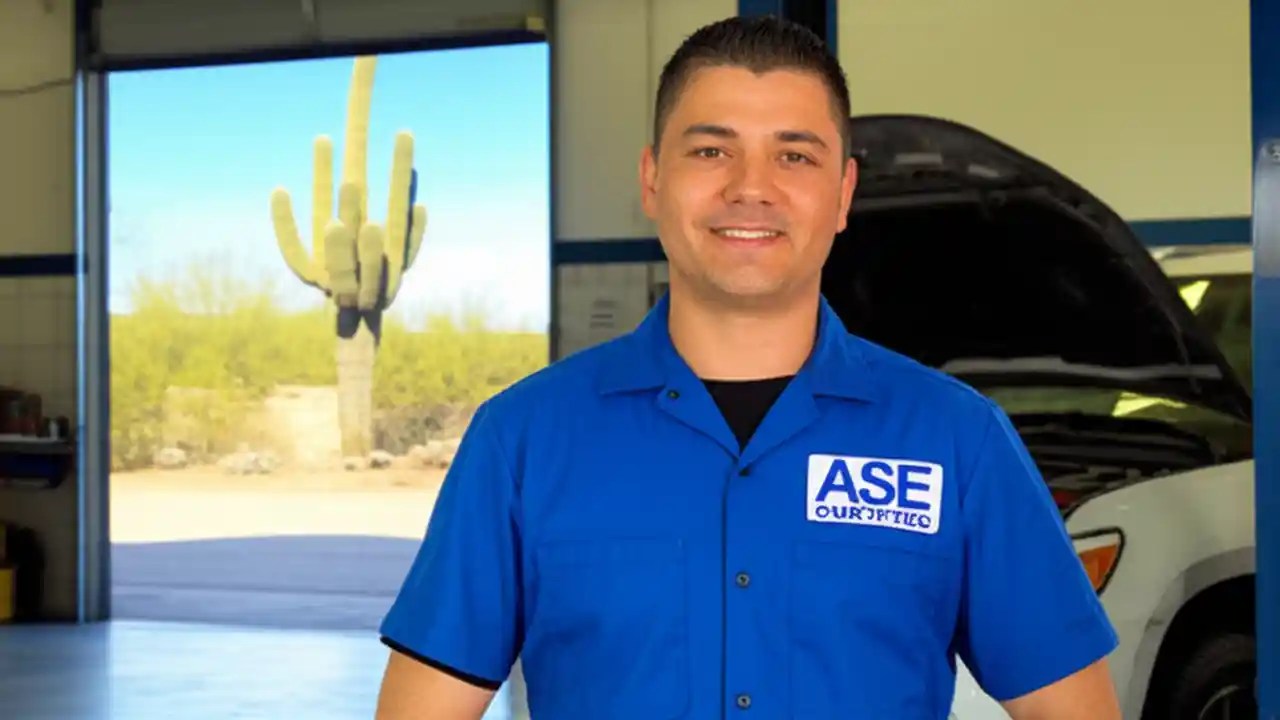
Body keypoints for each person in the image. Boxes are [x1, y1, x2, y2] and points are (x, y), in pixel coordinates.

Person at [374, 14, 1123, 720]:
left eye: (794, 155)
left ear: (842, 194)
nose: (750, 186)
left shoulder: (959, 442)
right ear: (651, 180)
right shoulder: (522, 441)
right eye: (710, 150)